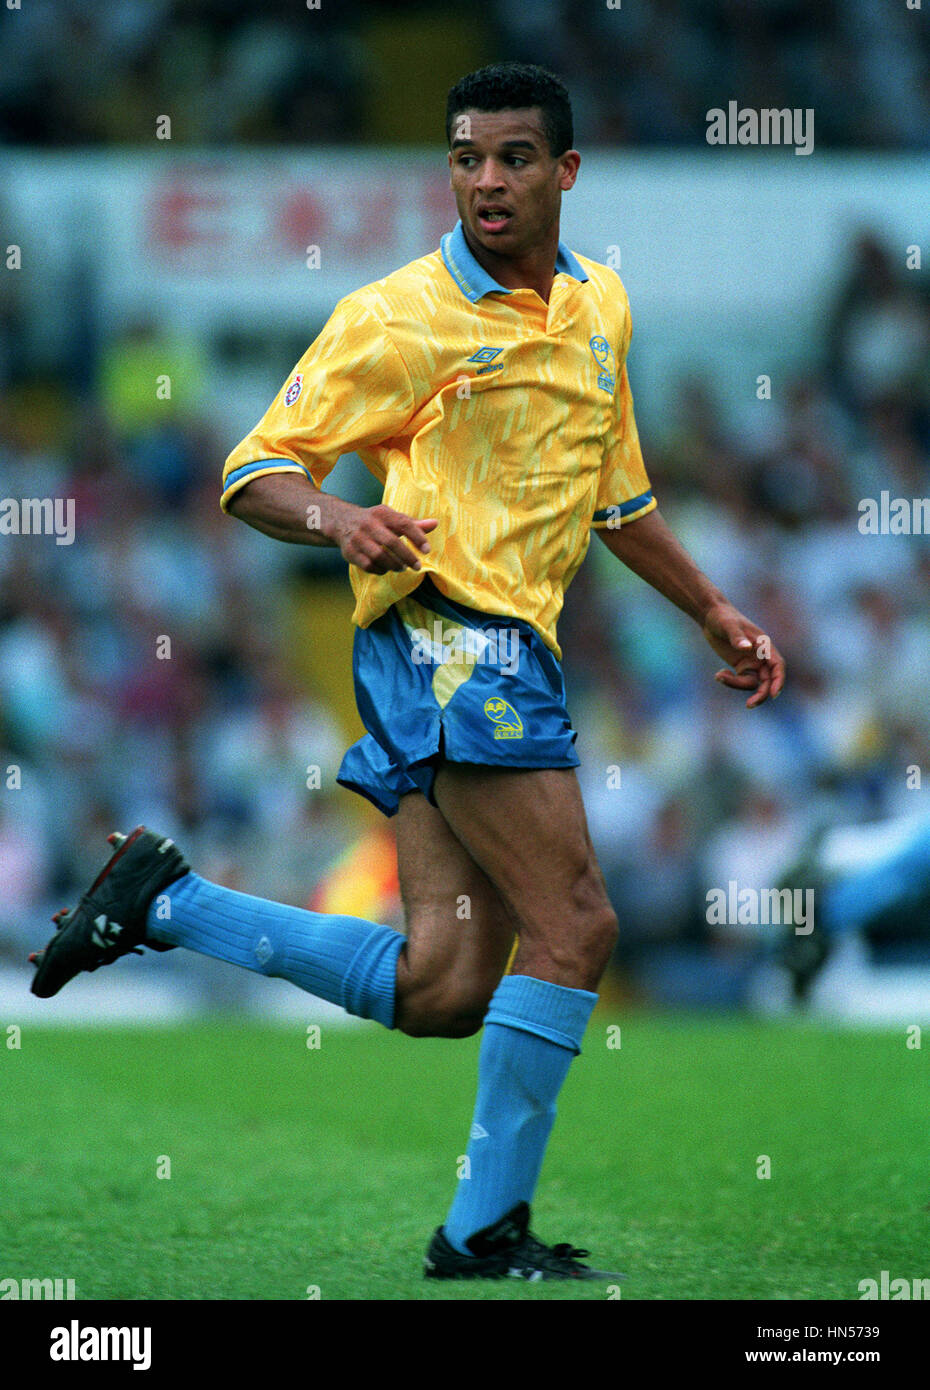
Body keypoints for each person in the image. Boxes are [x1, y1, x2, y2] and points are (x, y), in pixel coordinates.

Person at [30, 63, 785, 1282]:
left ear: (566, 172)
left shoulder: (603, 310)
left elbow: (618, 494)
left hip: (508, 648)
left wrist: (711, 609)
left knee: (443, 986)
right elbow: (255, 466)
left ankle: (165, 903)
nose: (487, 180)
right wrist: (341, 521)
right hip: (445, 637)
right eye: (467, 158)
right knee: (579, 921)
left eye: (514, 158)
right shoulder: (399, 316)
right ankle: (483, 1230)